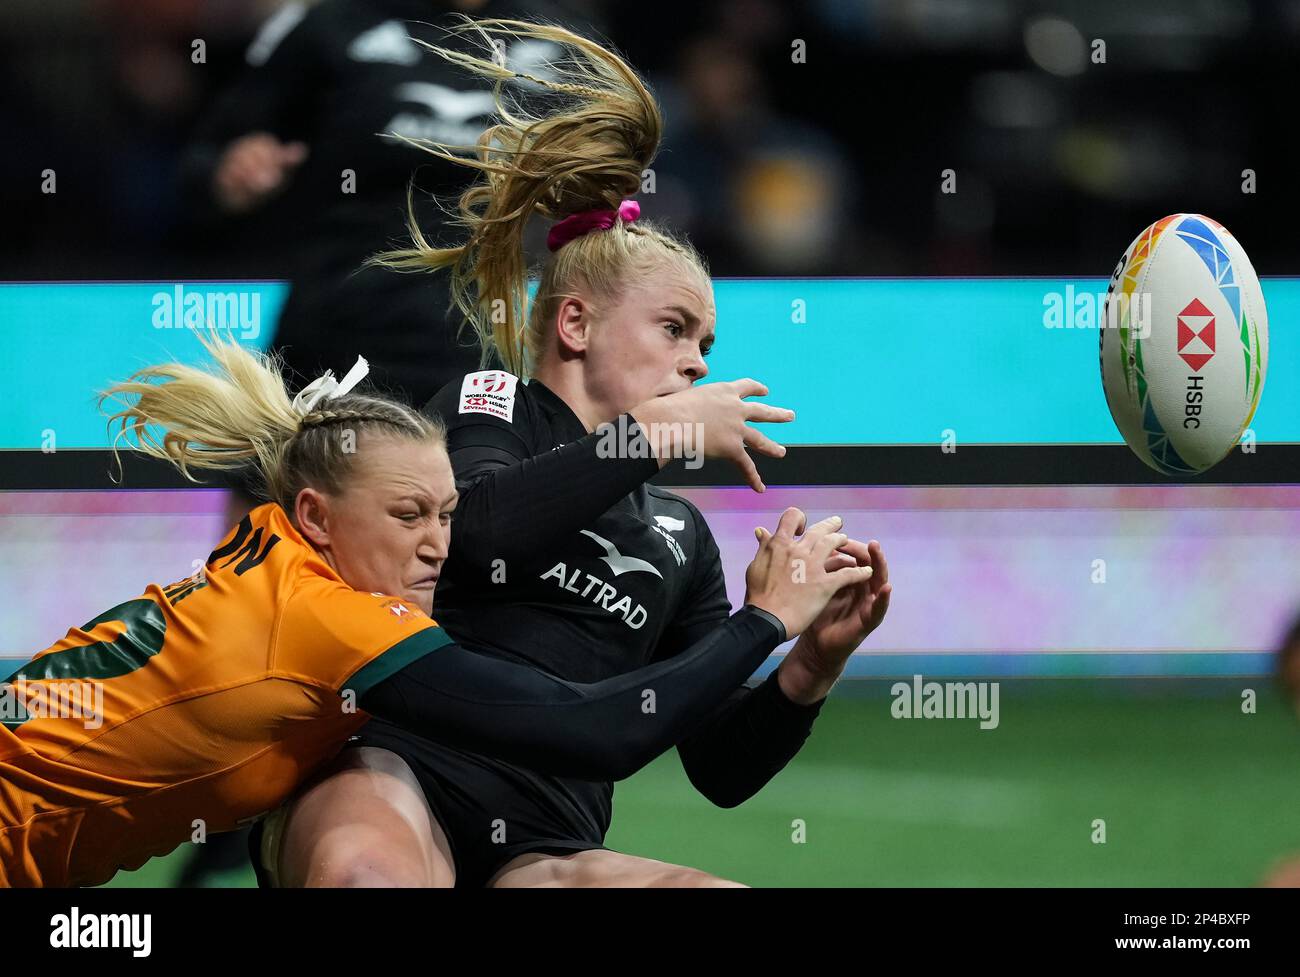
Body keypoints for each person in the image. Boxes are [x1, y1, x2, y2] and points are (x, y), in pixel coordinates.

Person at [271, 18, 892, 888]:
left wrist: (810, 663)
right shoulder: (488, 407)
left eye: (707, 341)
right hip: (400, 767)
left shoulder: (679, 537)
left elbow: (718, 768)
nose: (698, 361)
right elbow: (478, 535)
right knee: (368, 877)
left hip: (543, 840)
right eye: (675, 328)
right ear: (575, 324)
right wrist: (657, 431)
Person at [0, 333, 873, 887]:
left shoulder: (265, 549)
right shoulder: (332, 619)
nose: (438, 545)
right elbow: (597, 731)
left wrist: (805, 664)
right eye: (410, 516)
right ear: (318, 516)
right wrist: (762, 620)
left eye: (448, 514)